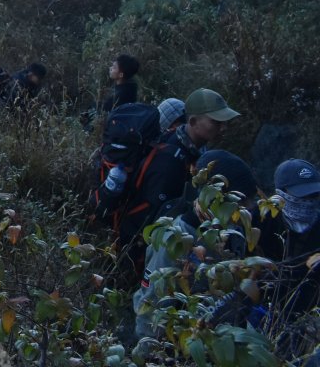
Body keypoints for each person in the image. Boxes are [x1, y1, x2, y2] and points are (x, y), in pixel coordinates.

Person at [133, 150, 260, 342]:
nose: (250, 207)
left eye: (251, 199)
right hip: (181, 342)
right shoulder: (174, 240)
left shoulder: (235, 229)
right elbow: (150, 309)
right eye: (242, 201)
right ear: (214, 199)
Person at [101, 88, 240, 259]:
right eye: (216, 122)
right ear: (194, 121)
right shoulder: (170, 162)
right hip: (138, 251)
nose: (223, 128)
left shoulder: (183, 143)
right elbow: (149, 216)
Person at [259, 158, 320, 339]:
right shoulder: (261, 220)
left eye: (314, 195)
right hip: (265, 314)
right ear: (281, 194)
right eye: (302, 196)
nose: (308, 201)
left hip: (310, 317)